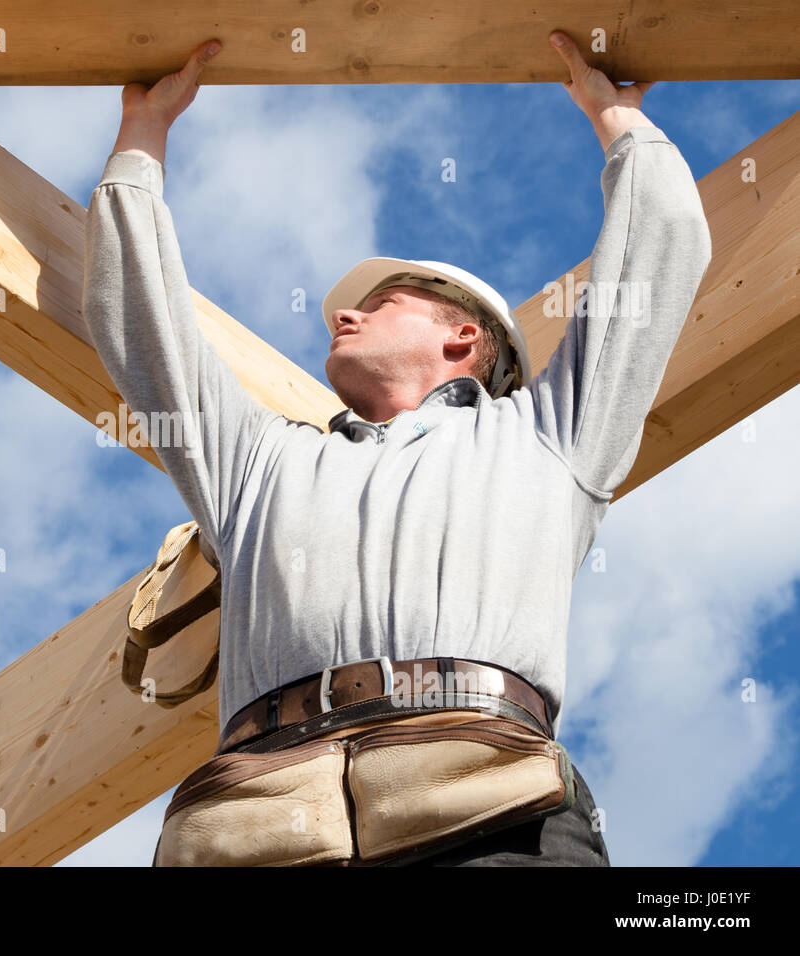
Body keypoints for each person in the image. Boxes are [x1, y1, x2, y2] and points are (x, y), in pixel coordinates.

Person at [83, 31, 712, 865]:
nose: (342, 315)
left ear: (464, 338)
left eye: (381, 302)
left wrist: (620, 123)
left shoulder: (547, 437)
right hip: (262, 824)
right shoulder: (261, 465)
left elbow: (657, 259)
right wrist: (142, 138)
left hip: (487, 806)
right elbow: (142, 325)